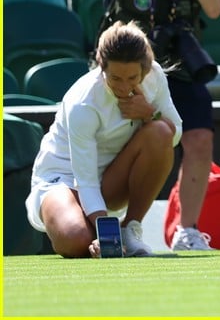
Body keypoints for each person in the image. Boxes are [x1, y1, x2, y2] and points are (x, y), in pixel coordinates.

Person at [102, 0, 220, 252]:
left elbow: (215, 7)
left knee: (200, 137)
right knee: (121, 140)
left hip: (181, 60)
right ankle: (114, 224)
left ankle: (187, 230)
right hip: (129, 61)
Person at [26, 21, 183, 257]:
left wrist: (149, 114)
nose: (124, 86)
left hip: (109, 181)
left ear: (145, 68)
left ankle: (130, 229)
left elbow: (175, 135)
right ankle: (100, 234)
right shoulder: (83, 103)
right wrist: (105, 236)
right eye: (115, 78)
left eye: (132, 78)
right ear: (102, 66)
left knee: (160, 131)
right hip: (62, 180)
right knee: (76, 239)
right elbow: (85, 181)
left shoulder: (155, 77)